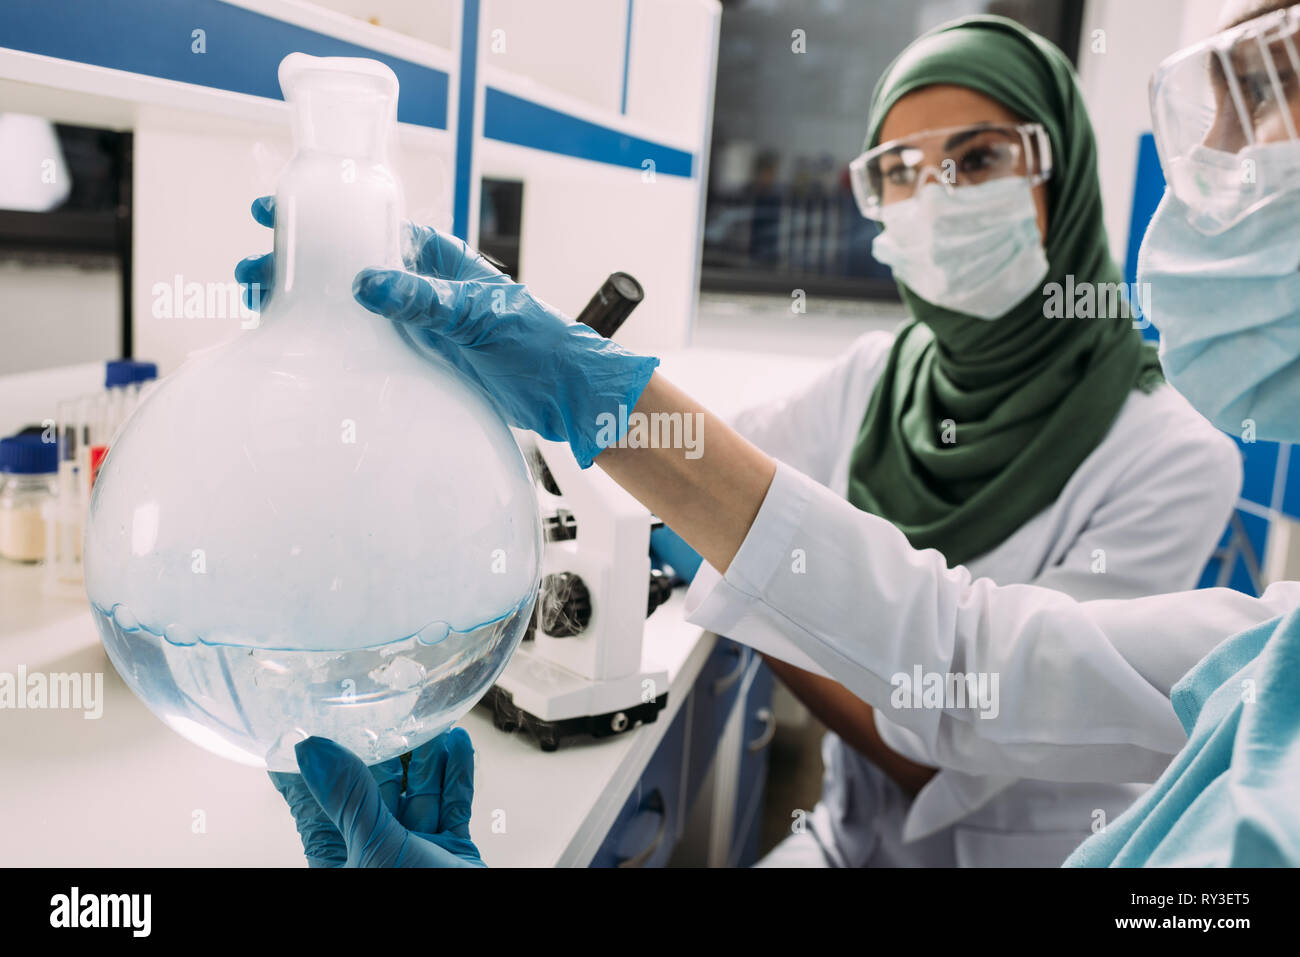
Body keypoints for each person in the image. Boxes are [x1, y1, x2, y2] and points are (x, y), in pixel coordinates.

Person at [245, 0, 1300, 868]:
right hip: (846, 843)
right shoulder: (883, 375)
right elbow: (946, 628)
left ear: (1061, 177)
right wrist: (558, 387)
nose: (934, 198)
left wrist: (711, 560)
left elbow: (953, 730)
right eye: (899, 168)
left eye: (978, 160)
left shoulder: (1174, 453)